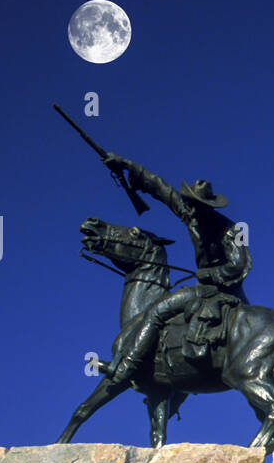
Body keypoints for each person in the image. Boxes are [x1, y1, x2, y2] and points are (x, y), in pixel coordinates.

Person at [99, 154, 251, 383]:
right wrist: (127, 165)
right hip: (204, 287)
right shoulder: (192, 216)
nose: (190, 209)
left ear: (207, 207)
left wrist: (210, 274)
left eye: (195, 206)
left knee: (156, 311)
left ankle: (124, 368)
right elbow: (162, 189)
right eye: (189, 204)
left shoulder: (231, 231)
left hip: (223, 292)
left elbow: (239, 265)